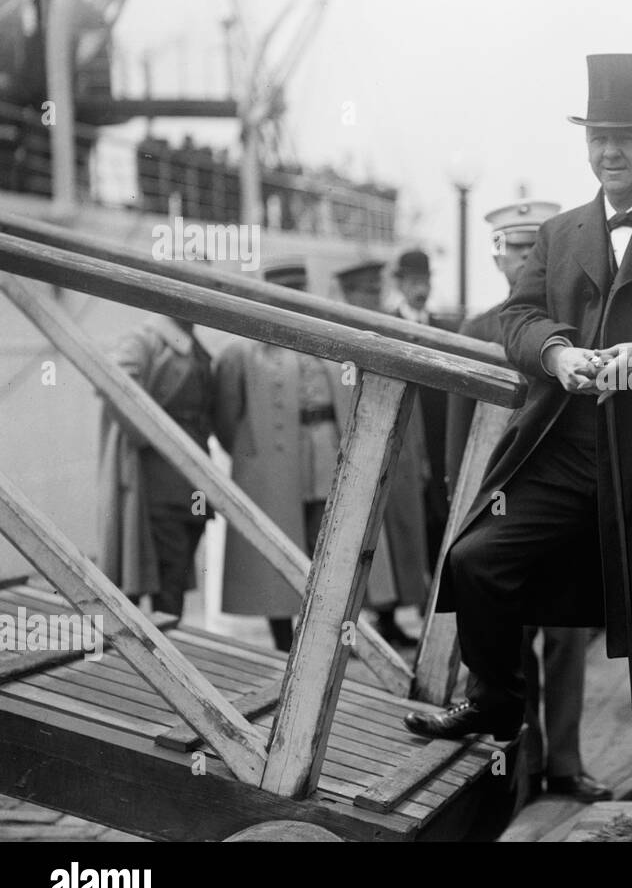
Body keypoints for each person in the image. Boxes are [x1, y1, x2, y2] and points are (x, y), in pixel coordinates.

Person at [406, 53, 632, 832]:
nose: (611, 152)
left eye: (628, 136)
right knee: (476, 559)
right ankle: (496, 701)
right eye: (599, 138)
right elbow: (514, 321)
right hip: (568, 448)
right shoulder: (559, 235)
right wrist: (558, 351)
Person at [445, 199, 611, 804]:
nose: (521, 258)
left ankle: (565, 764)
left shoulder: (577, 324)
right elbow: (458, 433)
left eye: (529, 248)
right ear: (496, 256)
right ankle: (521, 769)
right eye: (512, 248)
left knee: (565, 640)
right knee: (509, 642)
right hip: (505, 507)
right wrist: (455, 501)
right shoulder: (479, 330)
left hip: (558, 504)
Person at [214, 260, 344, 651]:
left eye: (300, 292)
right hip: (273, 464)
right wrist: (254, 457)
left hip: (323, 450)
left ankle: (320, 636)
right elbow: (225, 417)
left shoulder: (327, 340)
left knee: (325, 541)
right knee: (279, 546)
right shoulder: (245, 350)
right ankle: (283, 638)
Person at [334, 259, 431, 648]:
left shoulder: (391, 330)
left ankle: (387, 616)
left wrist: (418, 452)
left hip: (398, 444)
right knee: (359, 535)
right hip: (357, 447)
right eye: (362, 291)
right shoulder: (342, 332)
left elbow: (413, 396)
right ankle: (357, 622)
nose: (370, 297)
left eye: (374, 290)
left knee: (398, 535)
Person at [98, 314, 215, 618]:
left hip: (197, 479)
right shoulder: (145, 339)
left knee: (182, 560)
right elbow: (111, 380)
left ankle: (167, 650)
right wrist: (147, 435)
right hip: (161, 478)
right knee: (168, 574)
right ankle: (164, 658)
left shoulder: (193, 343)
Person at [392, 247, 454, 573]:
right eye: (414, 281)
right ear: (401, 284)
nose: (421, 290)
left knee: (439, 513)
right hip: (403, 437)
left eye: (425, 281)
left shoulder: (445, 329)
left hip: (438, 434)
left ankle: (435, 601)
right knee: (404, 512)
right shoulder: (388, 326)